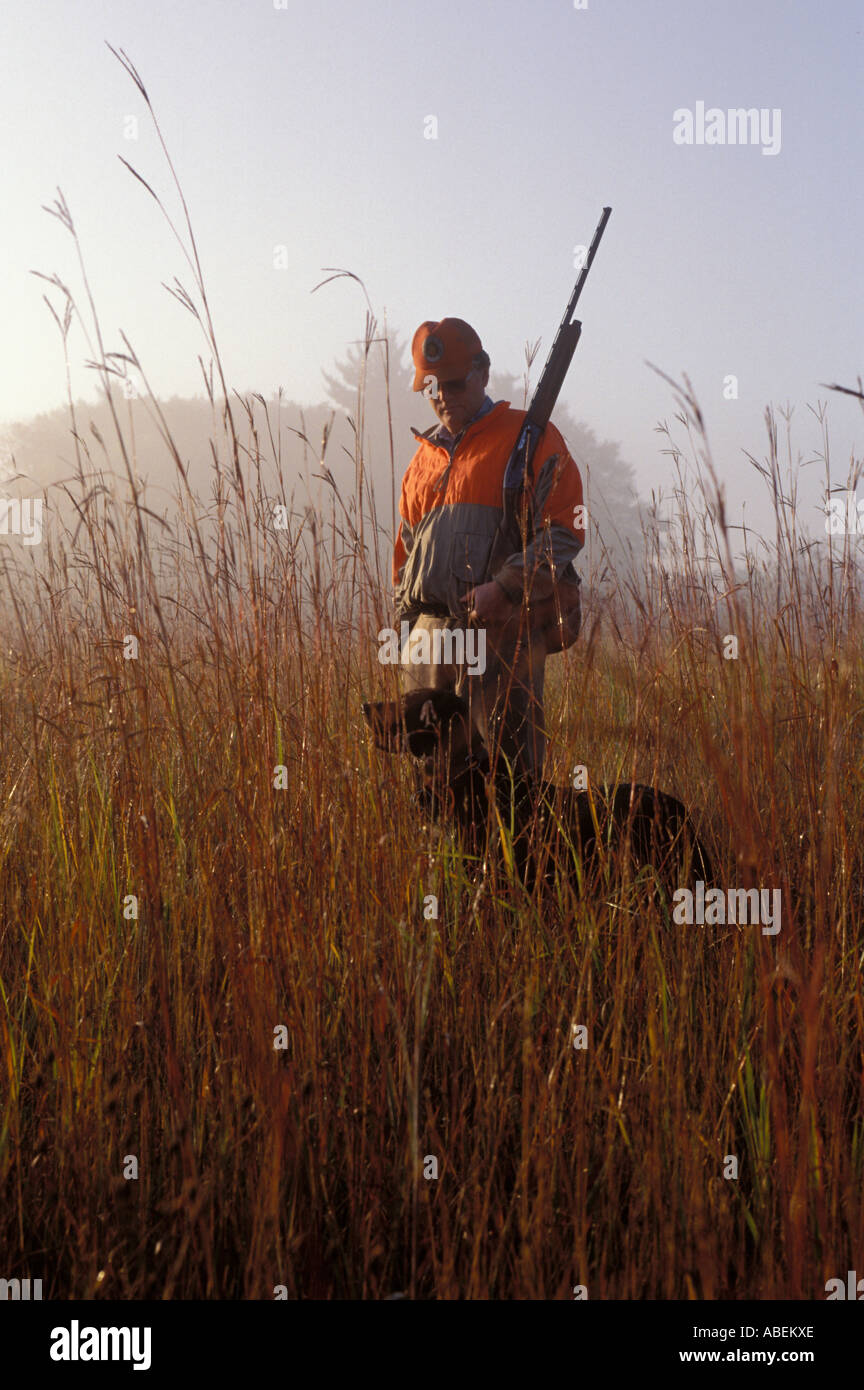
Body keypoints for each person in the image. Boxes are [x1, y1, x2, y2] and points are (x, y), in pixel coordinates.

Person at [392, 316, 585, 817]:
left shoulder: (531, 437)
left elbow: (564, 530)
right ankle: (450, 890)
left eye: (453, 383)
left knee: (510, 786)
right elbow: (403, 561)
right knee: (435, 788)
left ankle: (519, 886)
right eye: (431, 386)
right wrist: (407, 633)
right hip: (429, 645)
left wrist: (504, 587)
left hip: (501, 638)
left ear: (482, 372)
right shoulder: (421, 463)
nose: (442, 396)